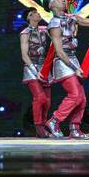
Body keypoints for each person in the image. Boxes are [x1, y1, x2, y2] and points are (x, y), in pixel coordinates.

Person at [43, 0, 89, 139]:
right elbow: (59, 51)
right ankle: (54, 121)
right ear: (51, 6)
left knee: (82, 98)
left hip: (73, 59)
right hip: (62, 62)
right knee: (74, 94)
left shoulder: (72, 18)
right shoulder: (54, 24)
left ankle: (75, 128)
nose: (63, 0)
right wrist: (75, 68)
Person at [20, 8, 52, 137]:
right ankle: (38, 126)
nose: (39, 14)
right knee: (40, 98)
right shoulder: (25, 33)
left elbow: (58, 37)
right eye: (35, 13)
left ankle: (44, 125)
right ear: (29, 16)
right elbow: (24, 55)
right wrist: (34, 70)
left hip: (44, 67)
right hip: (31, 68)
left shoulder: (45, 30)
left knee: (48, 101)